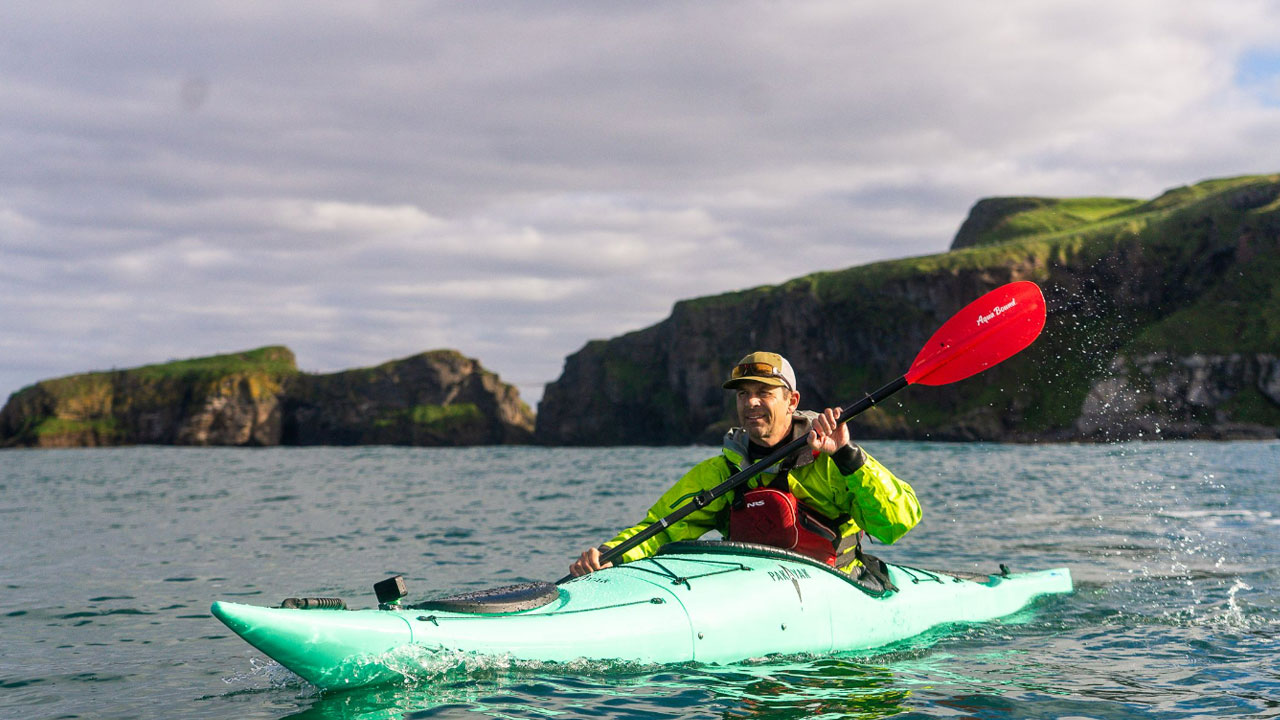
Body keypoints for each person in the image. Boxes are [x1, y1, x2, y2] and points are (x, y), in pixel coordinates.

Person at [570, 351, 921, 578]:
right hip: (751, 589)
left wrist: (846, 455)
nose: (751, 402)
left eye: (764, 392)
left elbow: (897, 523)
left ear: (791, 401)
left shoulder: (833, 458)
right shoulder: (722, 472)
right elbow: (661, 529)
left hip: (839, 586)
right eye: (742, 394)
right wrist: (609, 556)